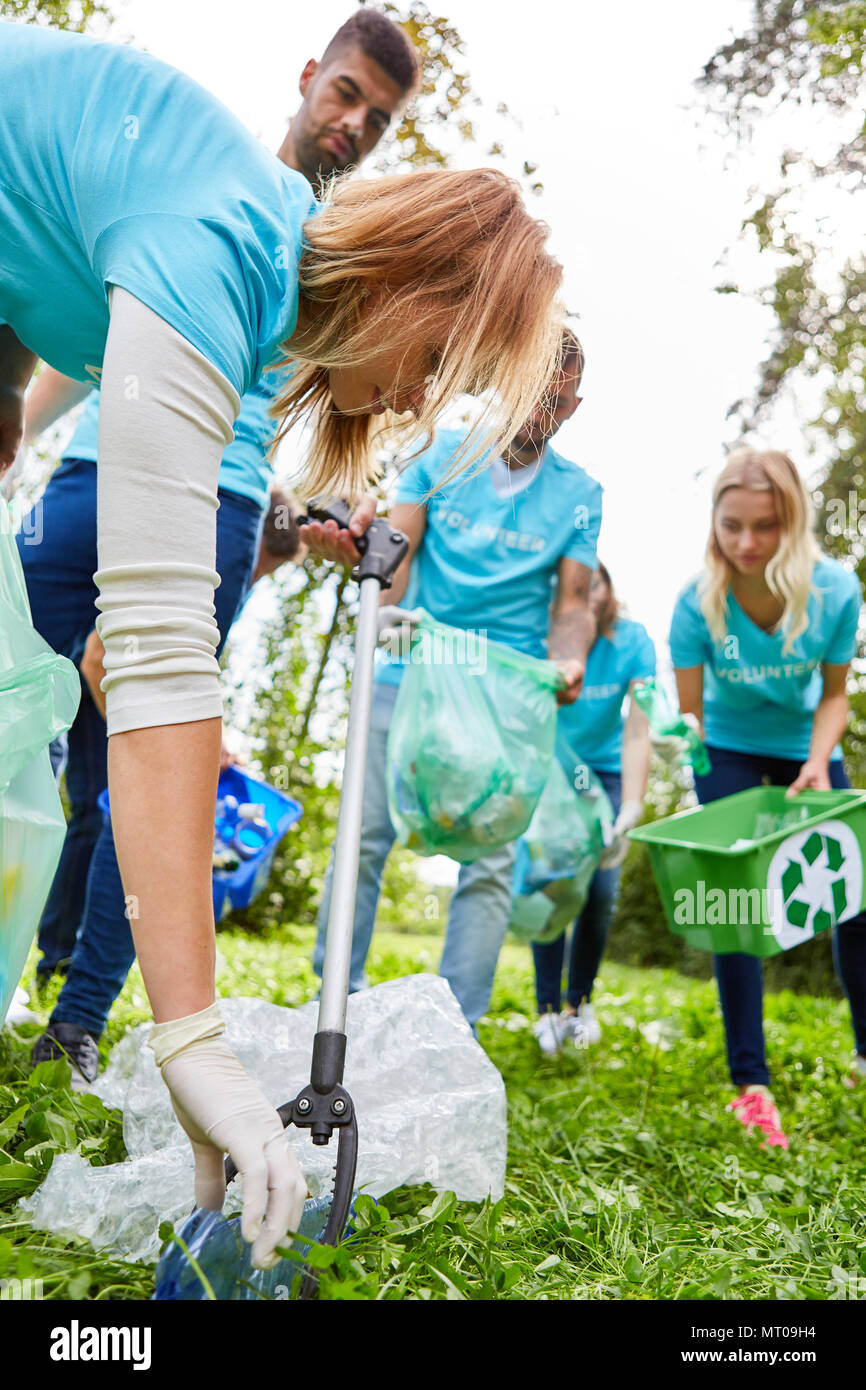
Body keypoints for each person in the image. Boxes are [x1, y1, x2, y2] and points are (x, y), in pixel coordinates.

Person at [0, 22, 565, 1267]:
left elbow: (28, 238)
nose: (418, 400)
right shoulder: (227, 249)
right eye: (435, 364)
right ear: (408, 283)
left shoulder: (247, 276)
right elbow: (158, 665)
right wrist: (194, 1043)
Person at [16, 8, 419, 1079]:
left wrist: (312, 526)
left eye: (377, 120)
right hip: (95, 467)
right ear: (308, 78)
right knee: (41, 725)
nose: (353, 125)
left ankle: (80, 1018)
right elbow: (88, 328)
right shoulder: (203, 181)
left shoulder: (334, 270)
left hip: (217, 498)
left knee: (142, 742)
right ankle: (35, 957)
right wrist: (25, 425)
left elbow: (314, 436)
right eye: (345, 95)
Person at [311, 333, 601, 1028]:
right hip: (415, 670)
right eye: (530, 395)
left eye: (555, 403)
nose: (539, 414)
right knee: (366, 834)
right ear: (503, 384)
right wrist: (372, 580)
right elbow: (399, 556)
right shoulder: (437, 455)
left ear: (573, 406)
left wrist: (571, 658)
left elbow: (572, 605)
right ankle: (333, 1006)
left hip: (505, 696)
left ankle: (455, 1025)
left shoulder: (581, 494)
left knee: (492, 863)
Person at [670, 447, 866, 1149]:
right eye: (732, 527)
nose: (746, 544)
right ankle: (750, 1086)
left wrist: (817, 761)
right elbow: (691, 717)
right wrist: (690, 765)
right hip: (724, 744)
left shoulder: (837, 592)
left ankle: (865, 1055)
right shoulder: (696, 603)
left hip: (805, 746)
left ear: (793, 523)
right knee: (738, 909)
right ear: (714, 523)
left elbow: (836, 696)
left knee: (857, 900)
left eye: (765, 527)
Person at [532, 564, 655, 1054]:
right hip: (550, 771)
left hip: (603, 775)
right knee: (554, 882)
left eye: (593, 584)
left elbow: (639, 727)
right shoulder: (542, 638)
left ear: (608, 588)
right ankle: (545, 1011)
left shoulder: (634, 642)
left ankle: (577, 1005)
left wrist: (631, 803)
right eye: (573, 589)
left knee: (600, 890)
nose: (586, 595)